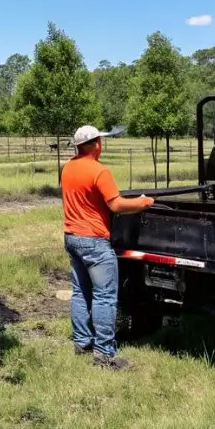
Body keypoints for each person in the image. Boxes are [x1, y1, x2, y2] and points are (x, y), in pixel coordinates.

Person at [61, 124, 154, 370]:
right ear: (96, 144)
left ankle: (82, 342)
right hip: (94, 240)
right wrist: (143, 203)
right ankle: (104, 353)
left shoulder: (68, 167)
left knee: (80, 292)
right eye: (100, 141)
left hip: (71, 236)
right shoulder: (99, 171)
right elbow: (116, 205)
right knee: (104, 296)